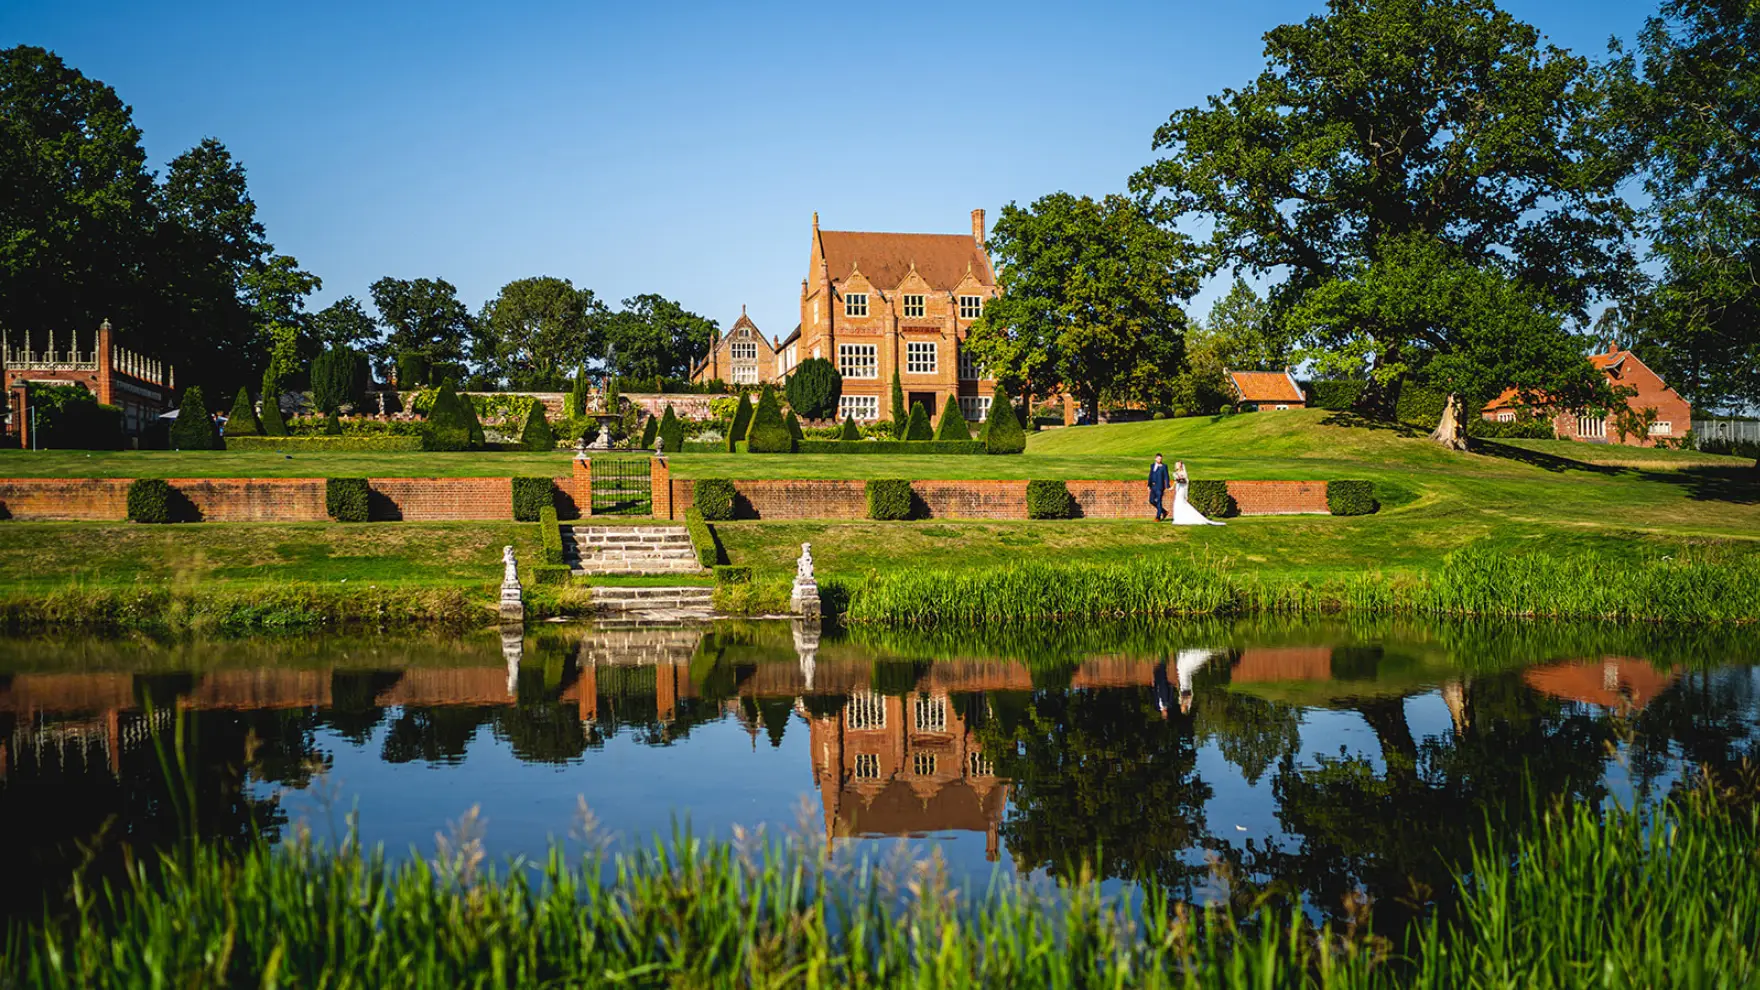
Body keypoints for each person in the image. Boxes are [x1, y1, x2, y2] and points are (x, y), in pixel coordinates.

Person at [1170, 460, 1225, 526]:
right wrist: (1172, 487)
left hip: (1181, 489)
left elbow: (1185, 481)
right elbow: (1176, 481)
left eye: (1177, 464)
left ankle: (1183, 518)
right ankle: (1178, 517)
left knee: (1179, 502)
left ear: (1180, 466)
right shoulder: (1175, 473)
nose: (1176, 466)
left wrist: (1181, 480)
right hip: (1178, 489)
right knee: (1177, 502)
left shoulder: (1183, 472)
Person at [1148, 454, 1170, 521]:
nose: (1160, 460)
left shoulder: (1164, 466)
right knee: (1151, 501)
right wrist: (1148, 485)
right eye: (1158, 458)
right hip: (1153, 486)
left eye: (1161, 459)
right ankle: (1164, 511)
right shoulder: (1152, 466)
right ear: (1155, 459)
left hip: (1160, 487)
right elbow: (1150, 475)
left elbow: (1166, 476)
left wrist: (1167, 485)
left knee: (1159, 501)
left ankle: (1158, 517)